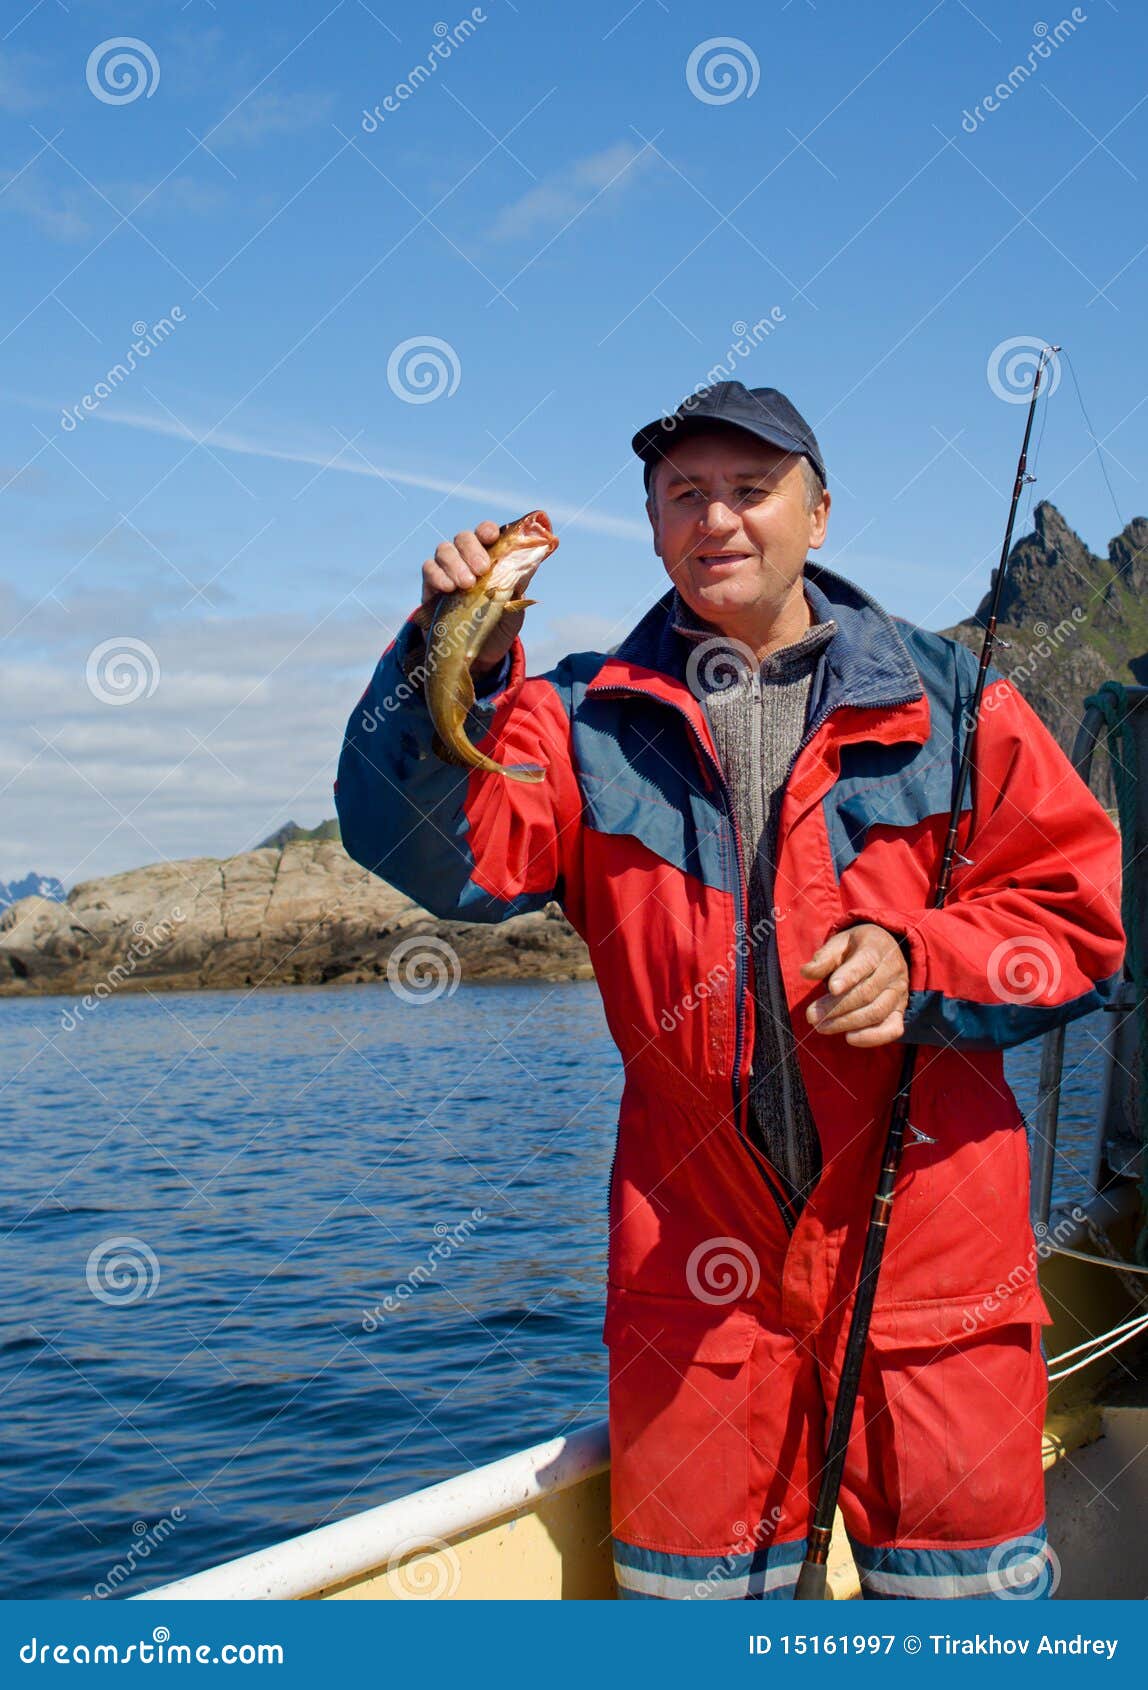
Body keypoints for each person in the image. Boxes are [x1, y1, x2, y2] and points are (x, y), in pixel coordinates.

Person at [334, 381, 1124, 1600]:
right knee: (693, 1626)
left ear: (817, 512)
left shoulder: (959, 705)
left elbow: (1076, 918)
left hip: (930, 1267)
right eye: (682, 495)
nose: (717, 519)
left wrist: (928, 963)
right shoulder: (576, 717)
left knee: (967, 1622)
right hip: (695, 1281)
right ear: (651, 528)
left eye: (750, 490)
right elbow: (433, 850)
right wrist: (438, 657)